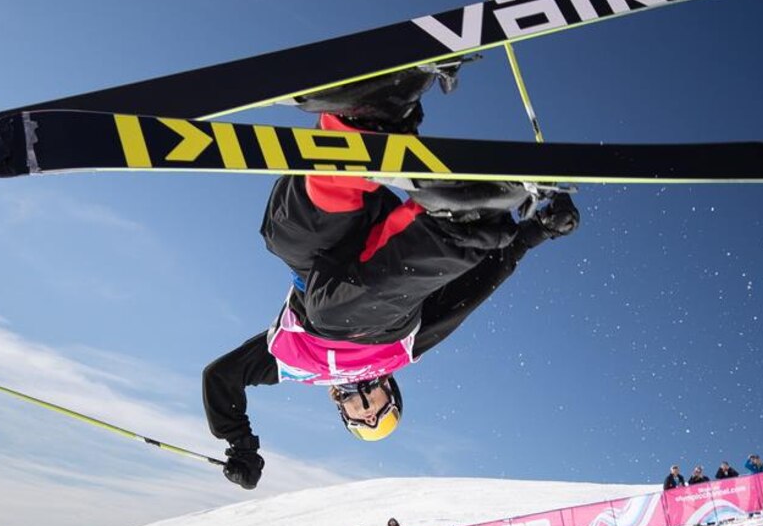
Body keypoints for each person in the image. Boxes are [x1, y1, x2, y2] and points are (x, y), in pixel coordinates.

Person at [202, 66, 581, 490]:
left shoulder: (290, 365)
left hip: (333, 245)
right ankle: (460, 220)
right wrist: (535, 232)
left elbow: (220, 377)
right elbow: (473, 292)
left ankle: (361, 121)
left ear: (338, 409)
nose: (366, 409)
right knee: (335, 314)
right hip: (393, 260)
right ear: (391, 391)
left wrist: (241, 445)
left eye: (359, 419)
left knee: (283, 237)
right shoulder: (401, 349)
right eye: (380, 412)